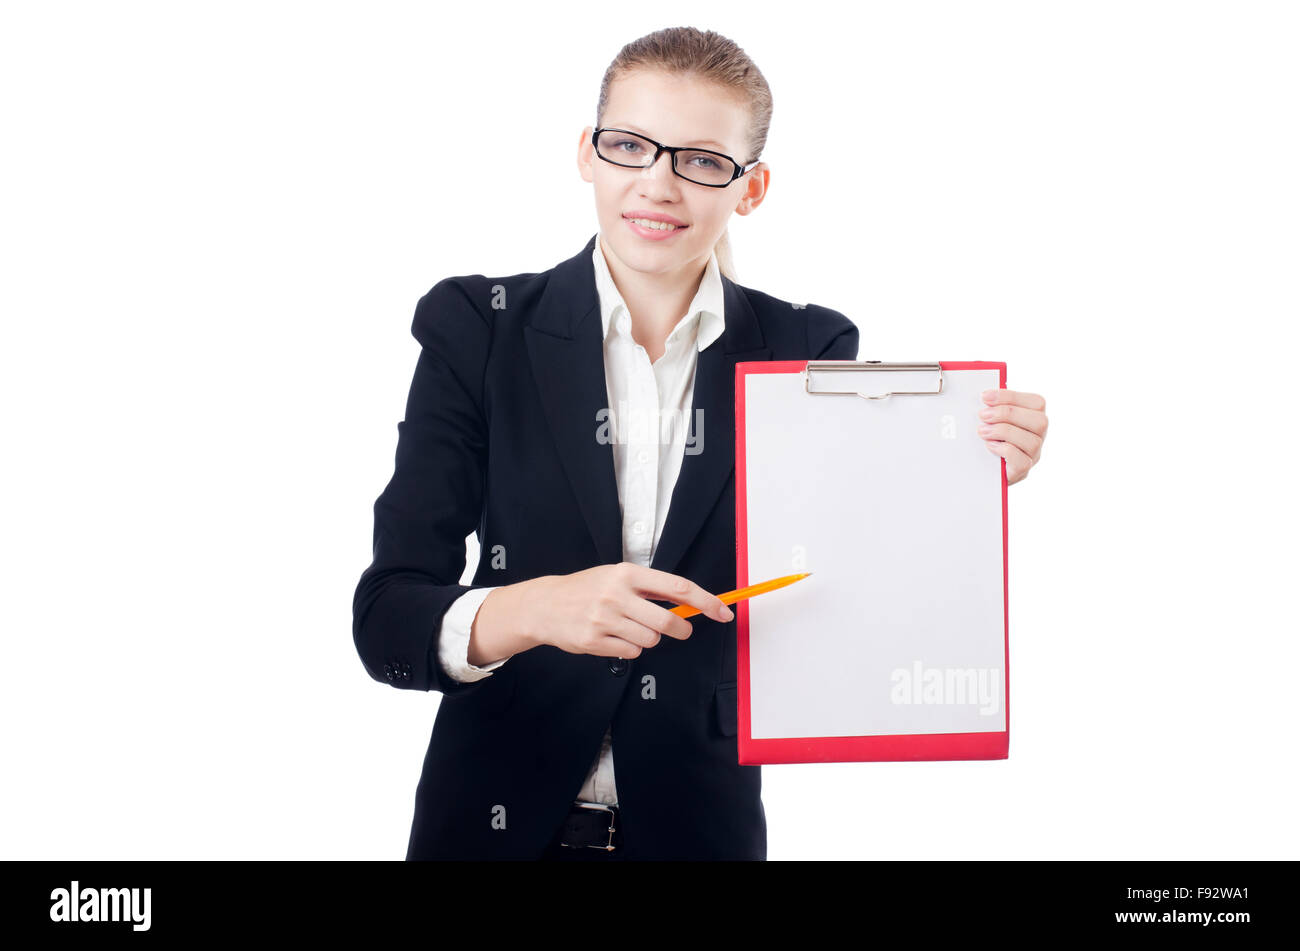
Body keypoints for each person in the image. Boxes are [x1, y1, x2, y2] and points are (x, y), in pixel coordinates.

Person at [352, 26, 1049, 861]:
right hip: (487, 825)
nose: (658, 184)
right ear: (587, 152)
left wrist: (958, 479)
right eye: (630, 146)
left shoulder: (806, 350)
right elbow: (388, 616)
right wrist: (539, 608)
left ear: (749, 187)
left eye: (701, 160)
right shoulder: (478, 327)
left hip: (697, 831)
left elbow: (841, 584)